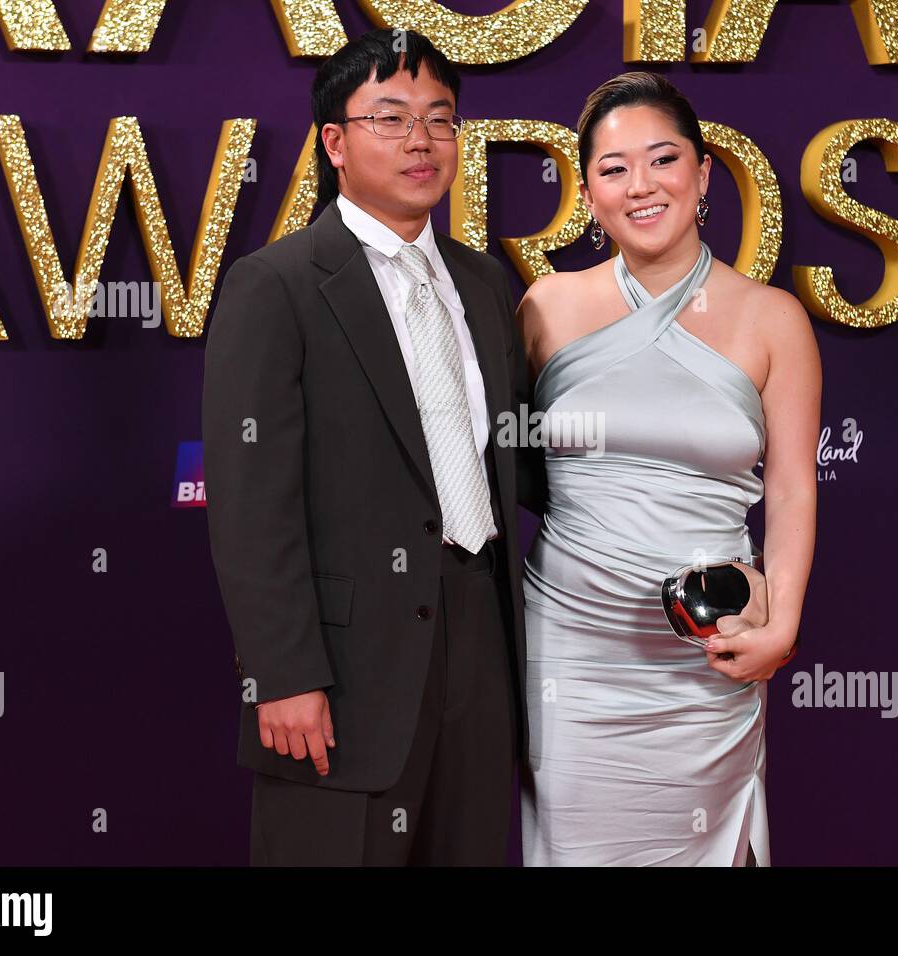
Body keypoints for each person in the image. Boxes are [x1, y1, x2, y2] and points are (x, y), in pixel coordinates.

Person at [202, 28, 543, 866]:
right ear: (335, 142)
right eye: (390, 118)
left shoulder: (483, 282)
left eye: (440, 118)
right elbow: (251, 501)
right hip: (343, 663)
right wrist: (283, 673)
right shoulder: (274, 284)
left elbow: (519, 456)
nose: (421, 140)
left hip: (481, 638)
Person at [516, 72, 821, 866]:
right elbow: (497, 466)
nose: (641, 186)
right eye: (614, 170)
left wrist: (781, 623)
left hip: (707, 656)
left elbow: (791, 488)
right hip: (572, 659)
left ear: (703, 173)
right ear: (588, 192)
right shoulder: (546, 307)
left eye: (662, 160)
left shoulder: (772, 318)